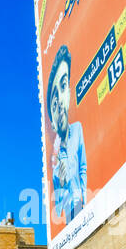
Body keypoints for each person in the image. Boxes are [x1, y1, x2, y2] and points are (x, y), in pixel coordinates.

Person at [46, 45, 87, 222]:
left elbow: (83, 167)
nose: (60, 104)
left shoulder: (77, 129)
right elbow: (57, 210)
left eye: (63, 85)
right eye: (54, 104)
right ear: (52, 124)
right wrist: (61, 183)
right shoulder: (53, 162)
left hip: (84, 203)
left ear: (69, 92)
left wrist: (85, 196)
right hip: (71, 214)